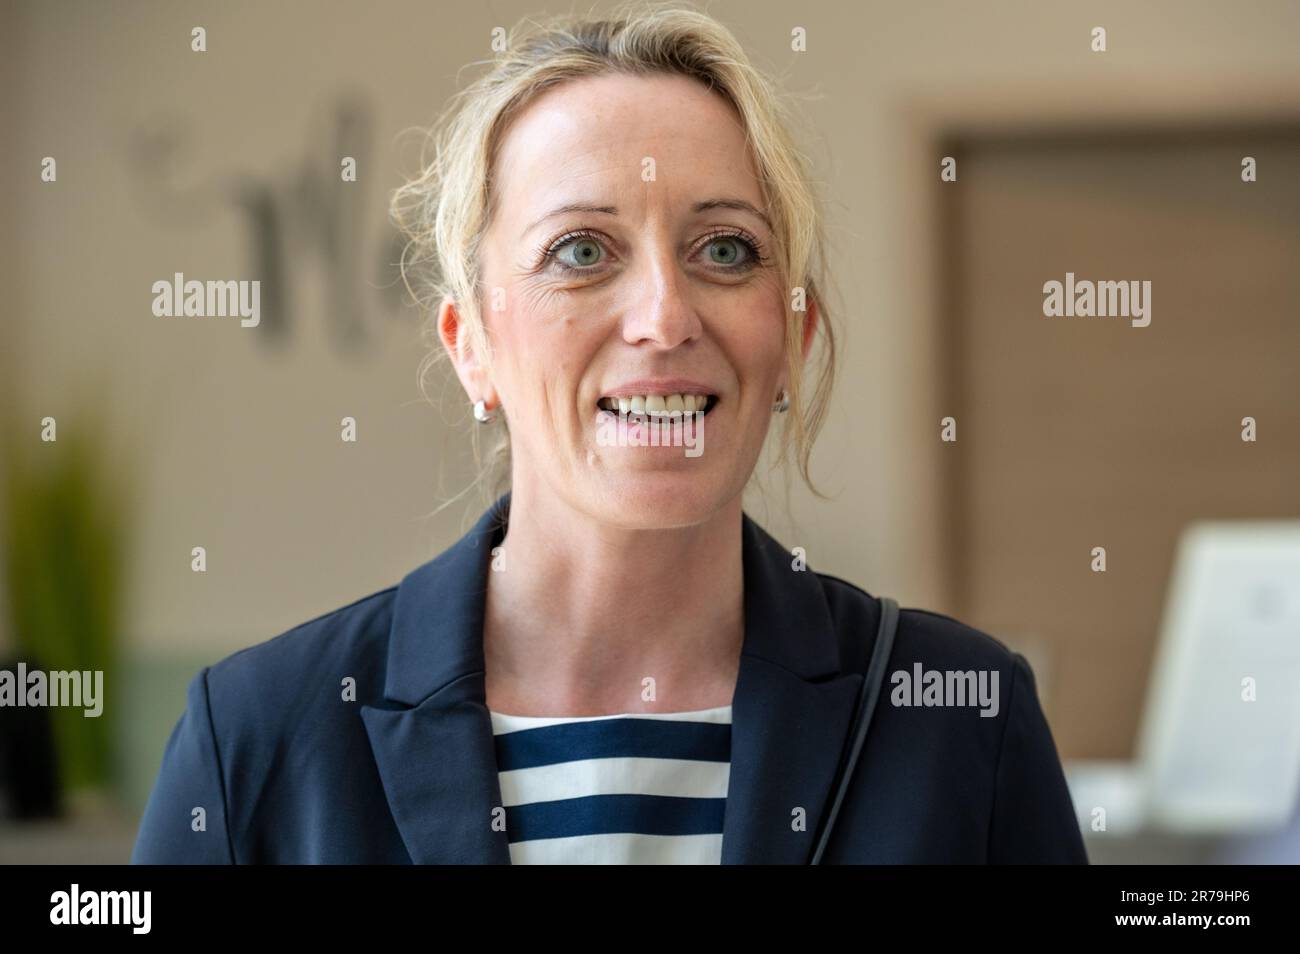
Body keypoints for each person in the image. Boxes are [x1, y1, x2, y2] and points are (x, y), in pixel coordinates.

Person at [132, 1, 1087, 864]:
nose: (665, 318)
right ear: (473, 345)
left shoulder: (964, 718)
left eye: (725, 250)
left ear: (792, 335)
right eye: (581, 252)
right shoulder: (257, 736)